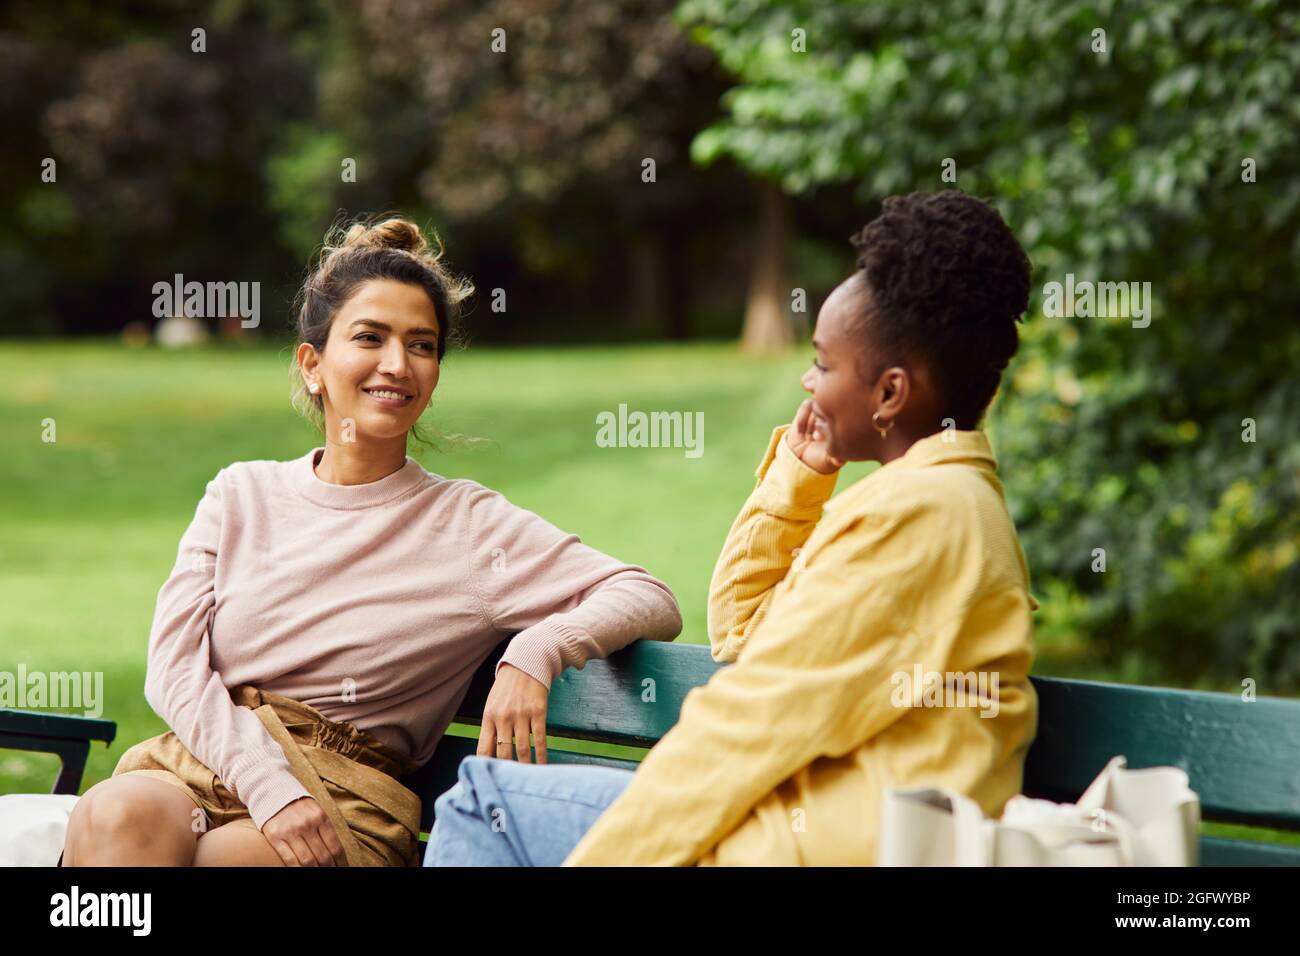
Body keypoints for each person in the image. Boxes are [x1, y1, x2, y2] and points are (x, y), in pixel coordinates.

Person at [426, 190, 1039, 866]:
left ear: (891, 393)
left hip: (803, 849)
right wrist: (798, 483)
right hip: (791, 833)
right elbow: (743, 633)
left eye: (826, 363)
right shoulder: (940, 500)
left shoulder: (920, 516)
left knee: (484, 799)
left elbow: (747, 728)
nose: (809, 381)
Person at [60, 216, 682, 867]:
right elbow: (174, 668)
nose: (397, 364)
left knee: (225, 862)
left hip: (341, 799)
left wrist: (540, 648)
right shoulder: (240, 494)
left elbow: (647, 595)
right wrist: (265, 785)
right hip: (203, 757)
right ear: (313, 365)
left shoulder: (470, 526)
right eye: (370, 337)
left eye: (422, 344)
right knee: (113, 814)